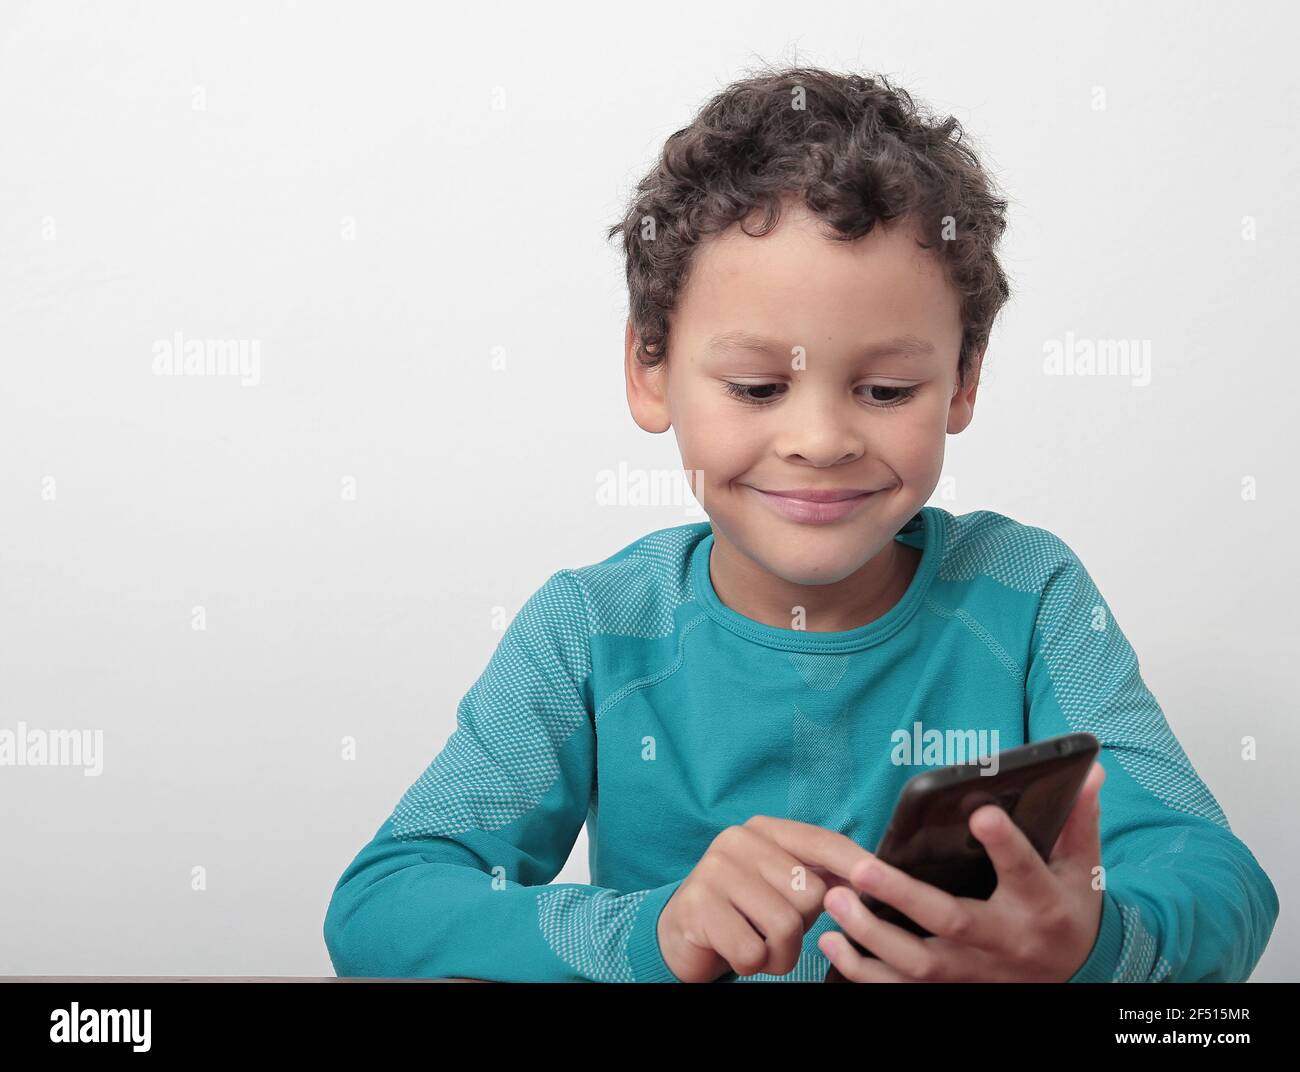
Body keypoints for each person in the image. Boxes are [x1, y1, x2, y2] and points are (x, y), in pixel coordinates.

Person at [323, 64, 1278, 982]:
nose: (820, 440)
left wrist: (1090, 947)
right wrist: (653, 930)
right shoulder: (591, 631)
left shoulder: (1028, 600)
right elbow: (383, 905)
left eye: (887, 388)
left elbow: (1220, 883)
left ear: (964, 380)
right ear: (649, 369)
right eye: (756, 386)